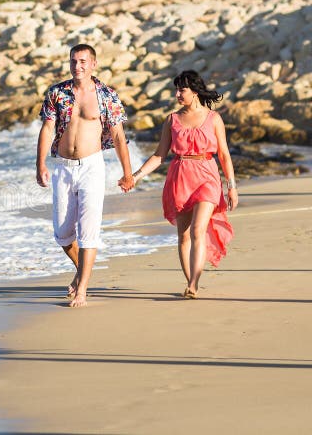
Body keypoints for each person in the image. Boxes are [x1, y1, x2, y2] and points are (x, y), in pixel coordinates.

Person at [36, 44, 134, 308]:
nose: (77, 66)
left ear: (93, 64)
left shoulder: (106, 95)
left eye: (82, 62)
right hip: (64, 167)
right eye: (73, 61)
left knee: (88, 230)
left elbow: (118, 137)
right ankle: (82, 272)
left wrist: (128, 173)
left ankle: (82, 290)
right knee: (63, 233)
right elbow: (47, 129)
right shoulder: (57, 93)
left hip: (92, 166)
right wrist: (40, 164)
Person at [126, 70, 237, 299]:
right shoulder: (172, 120)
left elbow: (224, 155)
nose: (177, 94)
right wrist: (135, 176)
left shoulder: (213, 118)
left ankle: (194, 283)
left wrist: (232, 186)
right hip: (180, 178)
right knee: (184, 236)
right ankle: (189, 280)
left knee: (198, 230)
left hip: (206, 175)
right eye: (176, 90)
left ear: (194, 91)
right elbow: (159, 156)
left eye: (181, 90)